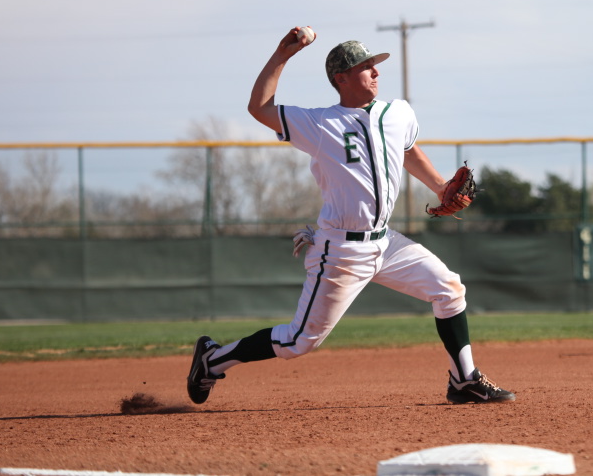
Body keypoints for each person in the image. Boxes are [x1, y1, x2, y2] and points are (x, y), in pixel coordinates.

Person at [186, 28, 515, 405]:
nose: (375, 72)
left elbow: (408, 151)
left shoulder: (398, 112)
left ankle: (464, 379)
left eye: (375, 65)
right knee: (298, 340)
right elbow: (259, 108)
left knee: (449, 289)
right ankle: (212, 359)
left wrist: (440, 187)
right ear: (341, 79)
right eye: (364, 67)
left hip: (387, 243)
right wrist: (282, 54)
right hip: (340, 250)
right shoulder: (319, 123)